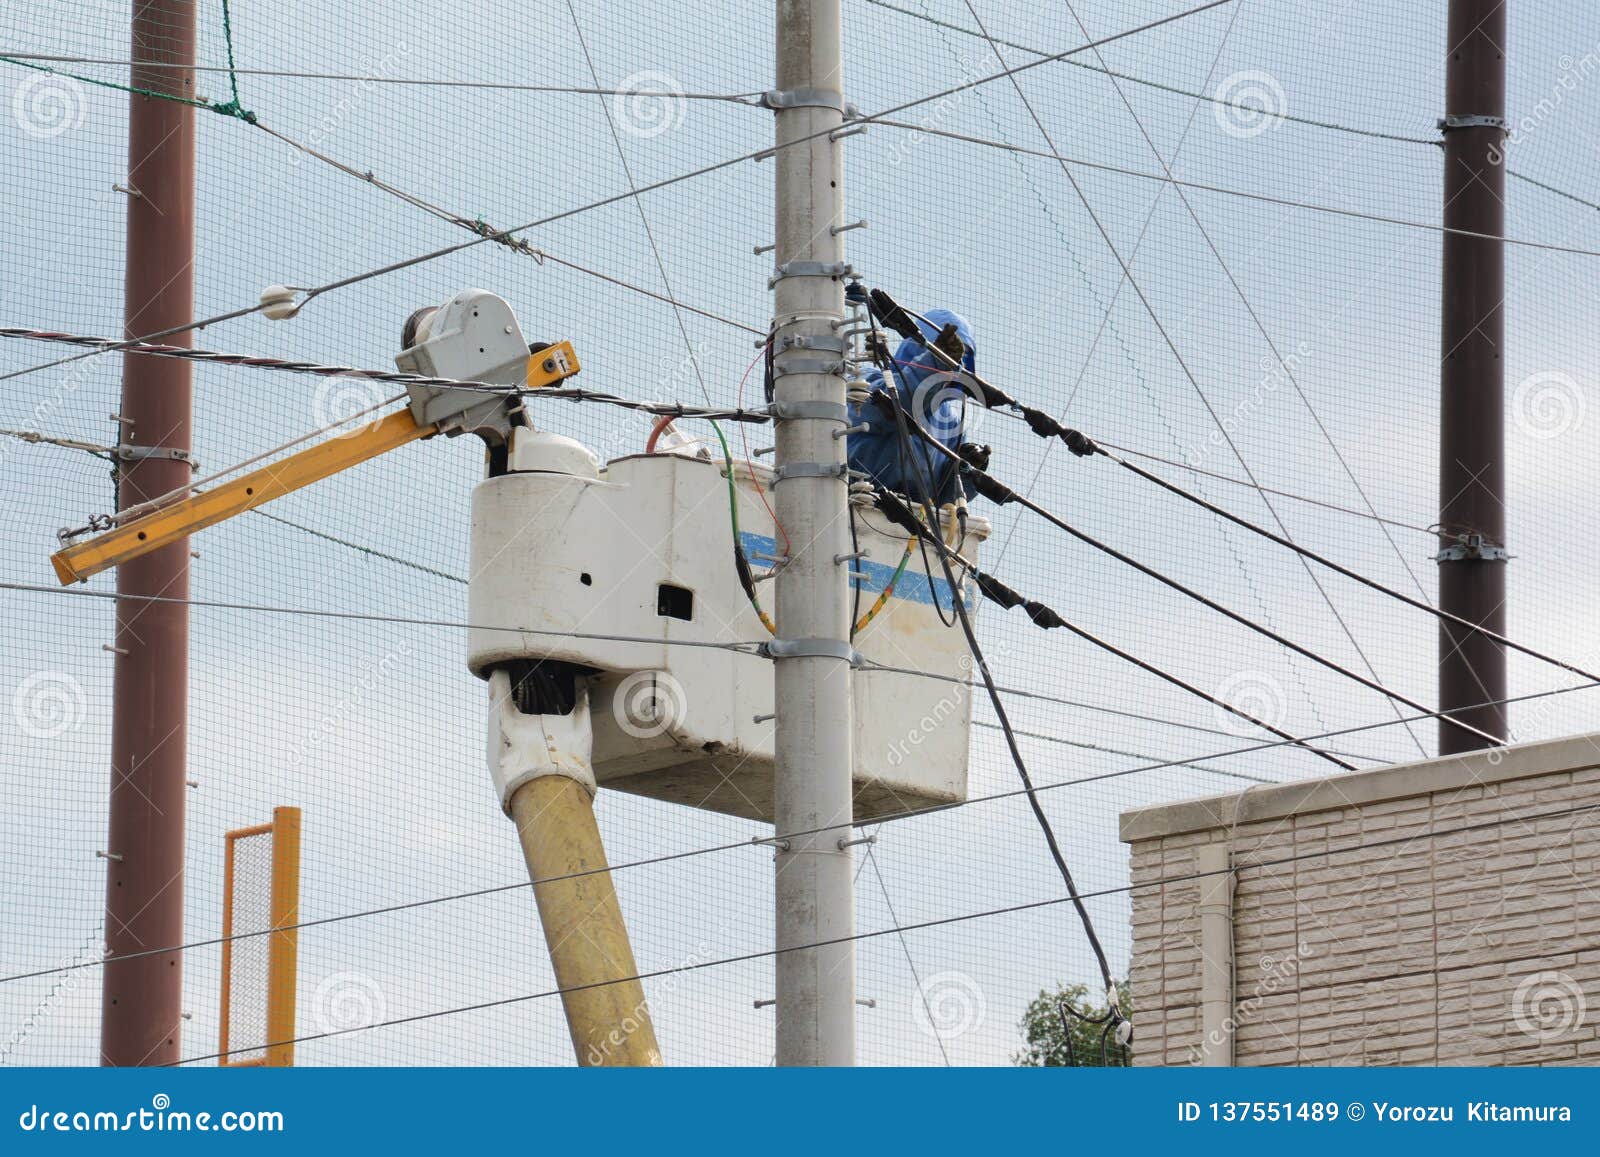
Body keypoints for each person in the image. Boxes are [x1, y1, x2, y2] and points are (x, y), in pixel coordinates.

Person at [846, 306, 977, 504]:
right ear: (916, 346)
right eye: (945, 350)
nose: (955, 361)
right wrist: (935, 364)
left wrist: (967, 475)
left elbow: (944, 501)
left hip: (914, 517)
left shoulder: (950, 422)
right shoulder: (866, 381)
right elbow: (896, 406)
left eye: (959, 355)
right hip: (858, 504)